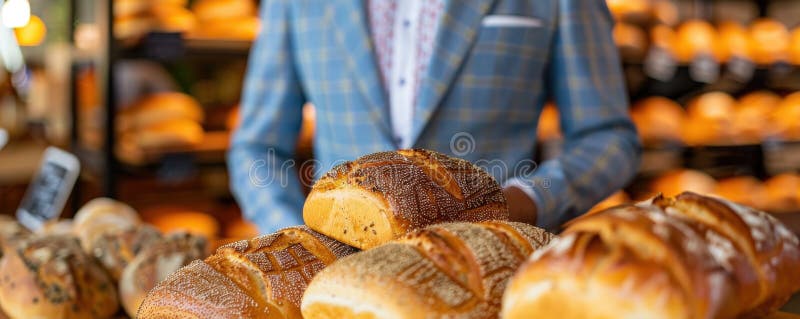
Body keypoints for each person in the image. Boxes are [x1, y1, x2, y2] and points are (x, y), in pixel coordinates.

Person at [228, 0, 641, 234]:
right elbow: (256, 146)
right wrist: (293, 235)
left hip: (490, 272)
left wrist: (527, 201)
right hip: (338, 284)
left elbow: (607, 137)